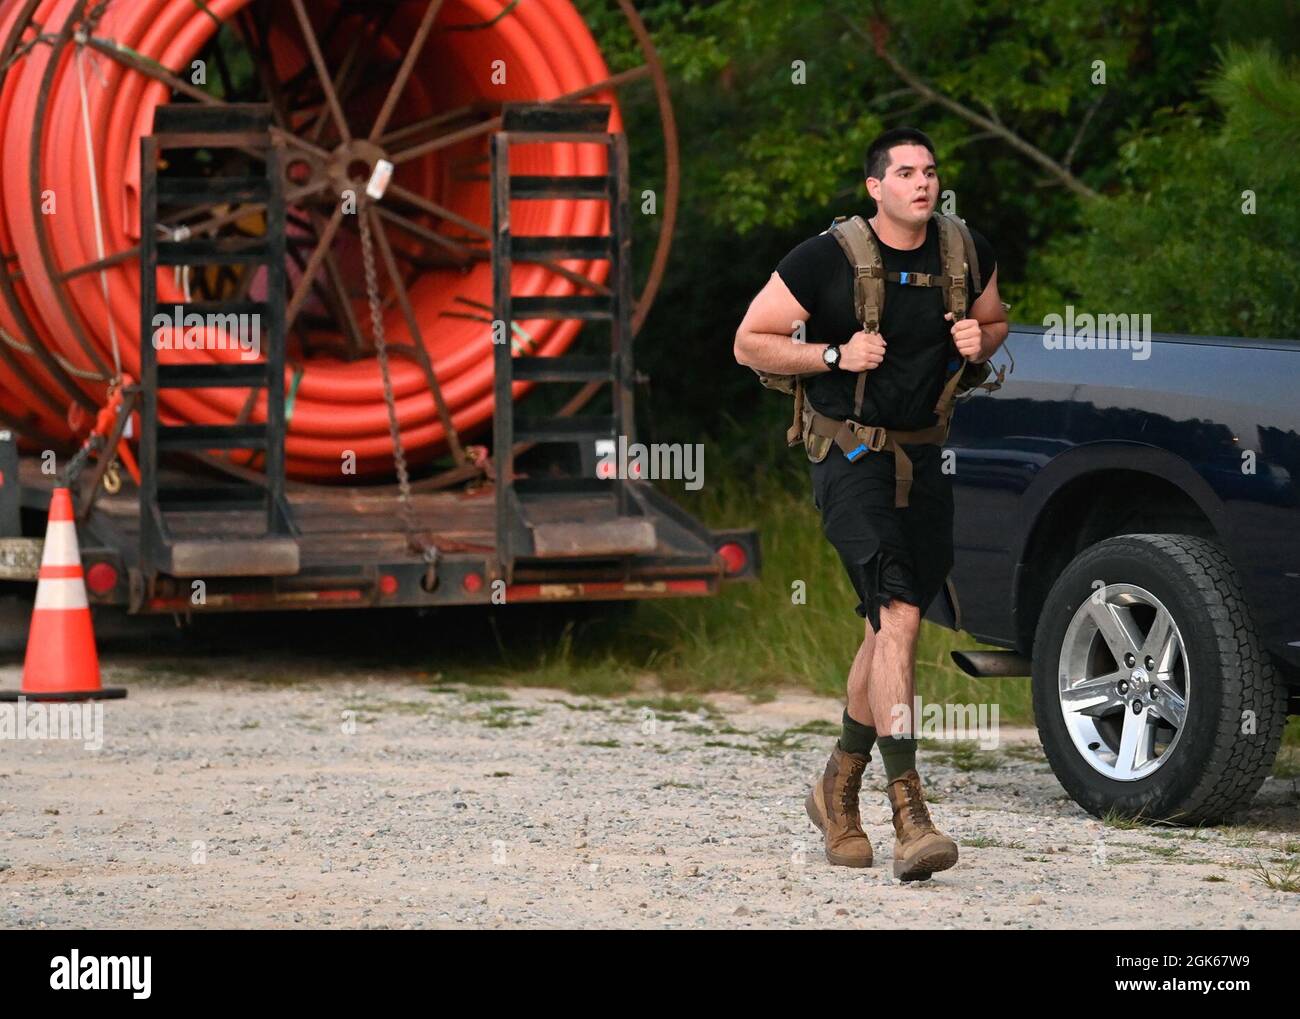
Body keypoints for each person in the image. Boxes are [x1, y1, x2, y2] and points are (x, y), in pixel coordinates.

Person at [733, 127, 1009, 880]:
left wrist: (977, 338)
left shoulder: (963, 250)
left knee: (883, 629)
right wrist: (832, 354)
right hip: (849, 451)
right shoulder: (824, 259)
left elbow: (996, 318)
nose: (923, 183)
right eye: (907, 173)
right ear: (876, 187)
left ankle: (836, 786)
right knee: (900, 617)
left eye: (930, 171)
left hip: (924, 455)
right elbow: (749, 341)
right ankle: (909, 812)